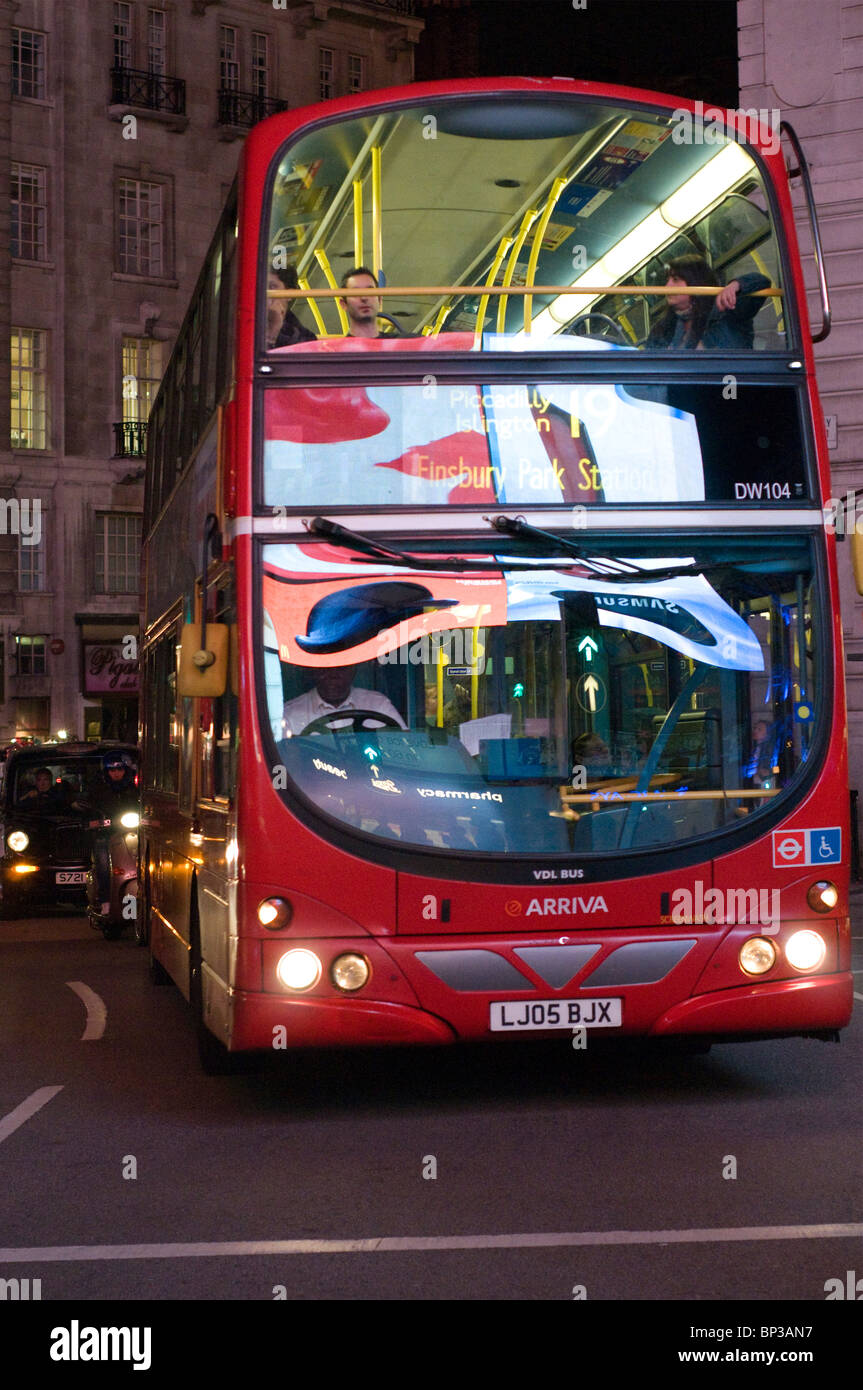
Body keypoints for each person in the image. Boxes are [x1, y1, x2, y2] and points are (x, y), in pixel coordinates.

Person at [646, 253, 771, 350]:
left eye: (676, 279)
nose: (667, 286)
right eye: (667, 280)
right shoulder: (663, 328)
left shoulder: (726, 309)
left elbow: (762, 282)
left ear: (696, 283)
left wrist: (735, 285)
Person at [83, 752, 138, 916]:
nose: (116, 773)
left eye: (119, 769)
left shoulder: (133, 788)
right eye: (111, 769)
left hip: (131, 833)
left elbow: (142, 805)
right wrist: (95, 821)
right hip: (106, 834)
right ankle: (105, 900)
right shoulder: (99, 788)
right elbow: (90, 808)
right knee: (104, 863)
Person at [281, 664, 406, 737]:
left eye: (341, 668)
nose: (333, 675)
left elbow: (406, 748)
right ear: (314, 671)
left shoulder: (378, 705)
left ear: (354, 670)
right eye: (326, 668)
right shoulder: (290, 715)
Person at [267, 264, 316, 349]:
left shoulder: (304, 337)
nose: (266, 293)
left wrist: (273, 330)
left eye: (272, 287)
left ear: (290, 294)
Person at [338, 266, 383, 339]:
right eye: (356, 293)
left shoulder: (399, 345)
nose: (364, 298)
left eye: (370, 291)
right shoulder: (338, 350)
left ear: (380, 299)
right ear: (343, 304)